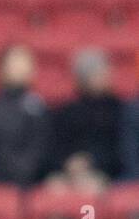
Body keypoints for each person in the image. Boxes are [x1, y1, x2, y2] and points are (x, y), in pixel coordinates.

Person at [0, 44, 50, 187]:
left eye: (26, 62)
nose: (21, 67)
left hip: (27, 184)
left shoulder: (39, 108)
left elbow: (39, 152)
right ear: (1, 68)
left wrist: (22, 173)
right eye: (15, 62)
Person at [49, 49, 125, 180]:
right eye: (93, 73)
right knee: (53, 187)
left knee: (90, 186)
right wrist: (67, 163)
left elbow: (120, 152)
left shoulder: (118, 109)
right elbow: (55, 150)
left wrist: (91, 162)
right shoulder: (67, 111)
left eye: (102, 72)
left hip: (105, 173)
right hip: (67, 172)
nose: (102, 77)